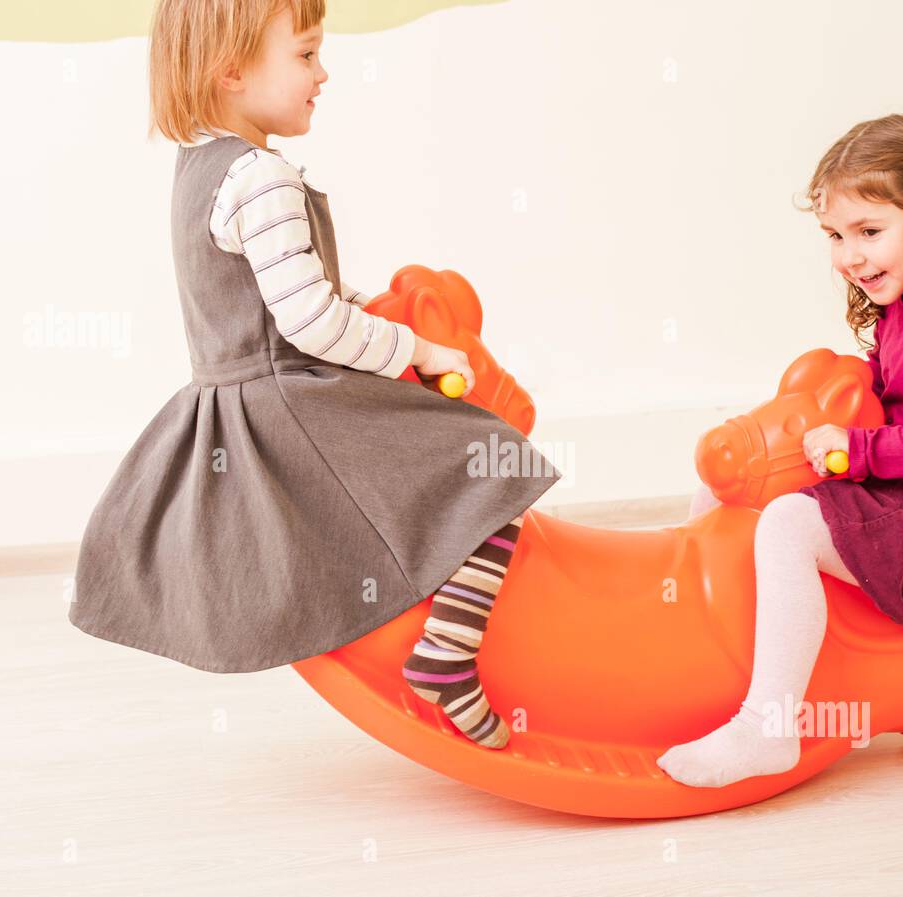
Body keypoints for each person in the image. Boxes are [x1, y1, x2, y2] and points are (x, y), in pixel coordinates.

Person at [68, 0, 560, 750]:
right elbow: (309, 324)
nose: (323, 73)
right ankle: (449, 658)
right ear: (229, 69)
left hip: (237, 402)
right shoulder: (261, 176)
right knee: (496, 469)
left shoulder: (201, 166)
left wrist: (376, 308)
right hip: (289, 403)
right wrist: (418, 351)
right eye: (305, 55)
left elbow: (289, 298)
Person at [659, 113, 903, 787]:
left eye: (870, 232)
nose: (850, 256)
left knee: (788, 524)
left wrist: (858, 450)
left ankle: (767, 729)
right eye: (835, 235)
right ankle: (680, 638)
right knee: (733, 483)